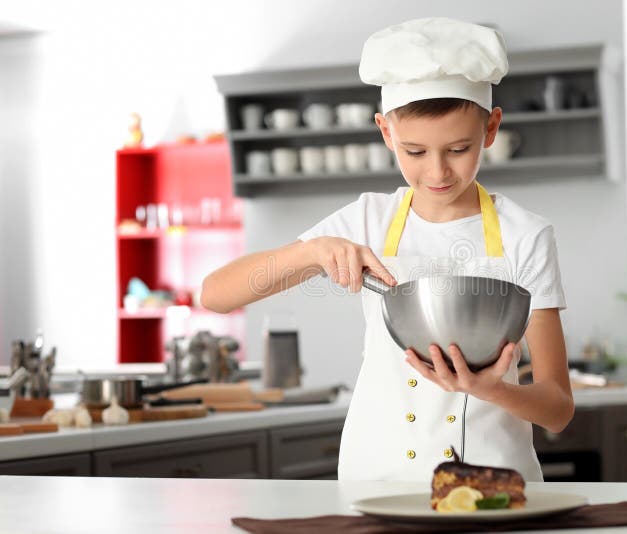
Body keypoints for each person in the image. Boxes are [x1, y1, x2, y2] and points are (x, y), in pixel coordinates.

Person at [201, 17, 573, 482]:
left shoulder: (527, 235)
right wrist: (313, 252)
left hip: (493, 484)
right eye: (414, 152)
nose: (437, 172)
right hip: (377, 477)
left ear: (492, 128)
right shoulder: (364, 222)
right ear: (385, 132)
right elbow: (215, 295)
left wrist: (490, 389)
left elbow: (557, 408)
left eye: (458, 148)